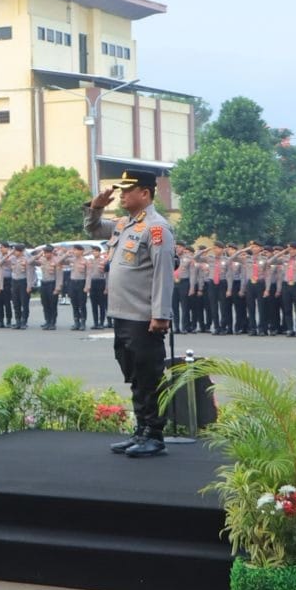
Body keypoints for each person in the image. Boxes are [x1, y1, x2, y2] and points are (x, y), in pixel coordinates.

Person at [84, 169, 175, 459]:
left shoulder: (156, 228)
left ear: (145, 194)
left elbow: (163, 274)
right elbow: (94, 229)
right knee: (135, 375)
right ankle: (141, 429)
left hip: (143, 316)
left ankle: (155, 434)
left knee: (150, 376)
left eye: (127, 191)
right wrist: (96, 206)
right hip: (122, 315)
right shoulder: (124, 224)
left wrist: (160, 314)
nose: (121, 196)